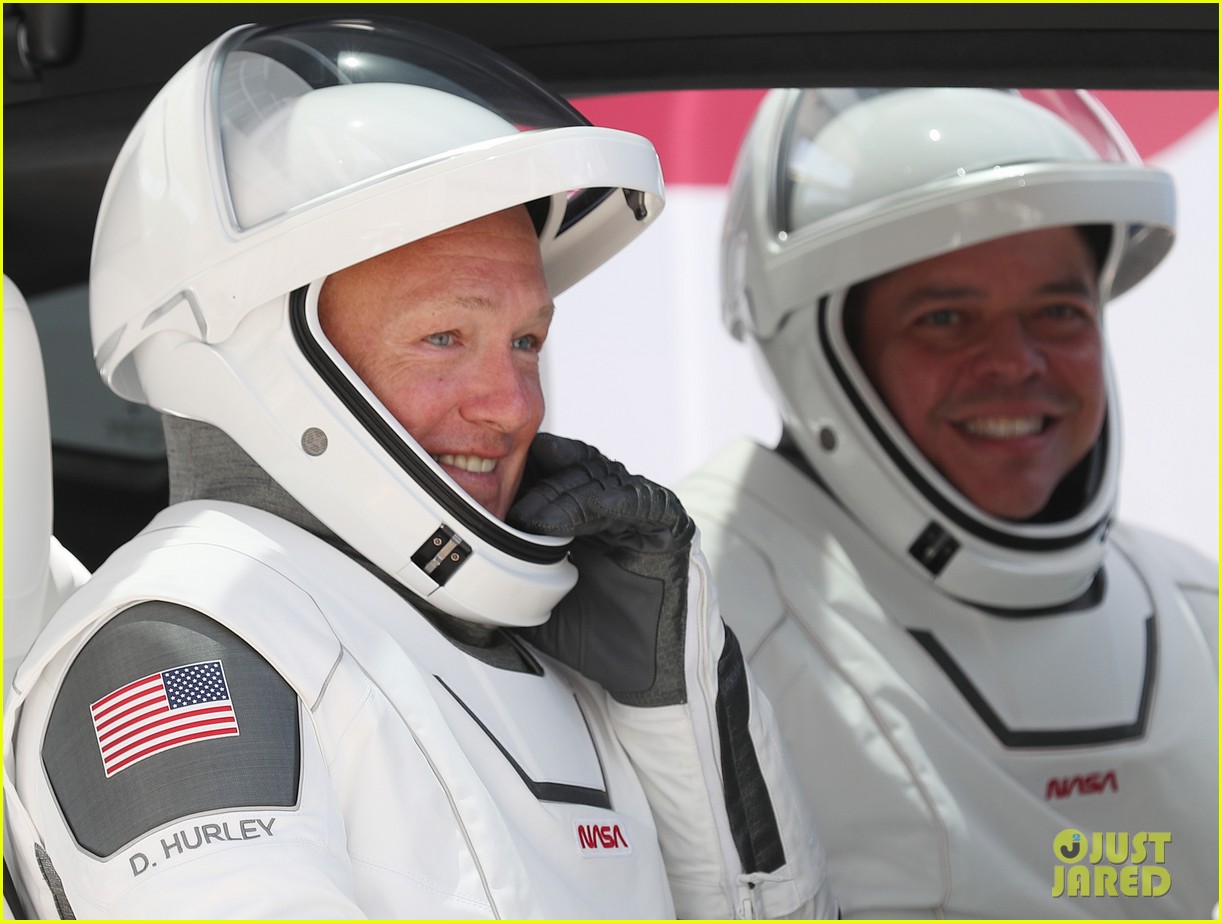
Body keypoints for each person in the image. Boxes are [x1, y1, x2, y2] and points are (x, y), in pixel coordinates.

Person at [2, 19, 834, 919]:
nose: (514, 406)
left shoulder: (555, 650)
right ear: (254, 352)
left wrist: (675, 713)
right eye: (444, 337)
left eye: (525, 341)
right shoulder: (178, 650)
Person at [677, 87, 1217, 918]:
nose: (1017, 360)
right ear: (824, 349)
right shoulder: (695, 621)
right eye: (946, 317)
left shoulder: (1196, 614)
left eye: (1059, 311)